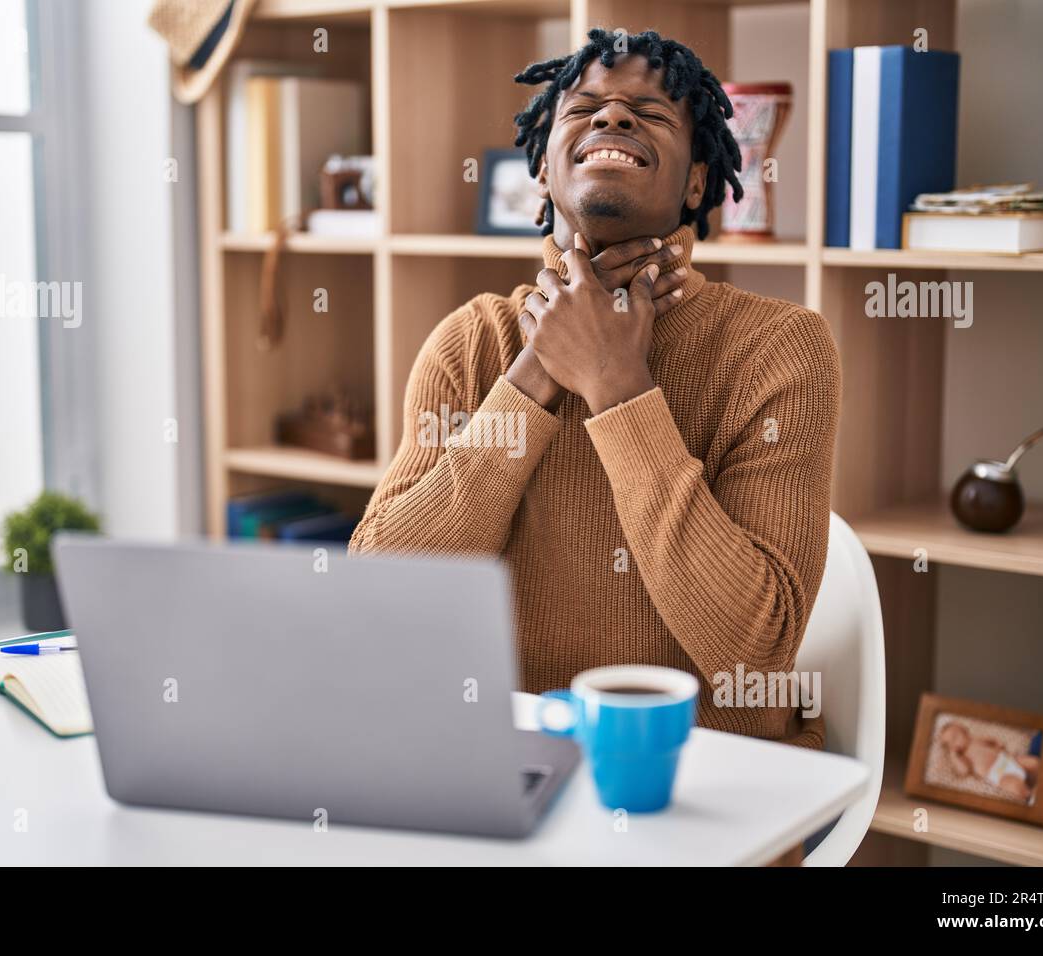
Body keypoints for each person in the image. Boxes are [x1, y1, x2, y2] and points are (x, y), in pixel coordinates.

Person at [350, 29, 841, 749]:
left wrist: (619, 388)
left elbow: (754, 653)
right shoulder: (473, 340)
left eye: (651, 111)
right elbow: (380, 602)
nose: (613, 119)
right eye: (582, 110)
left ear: (698, 182)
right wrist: (536, 373)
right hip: (505, 768)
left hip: (710, 785)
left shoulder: (779, 349)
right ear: (542, 174)